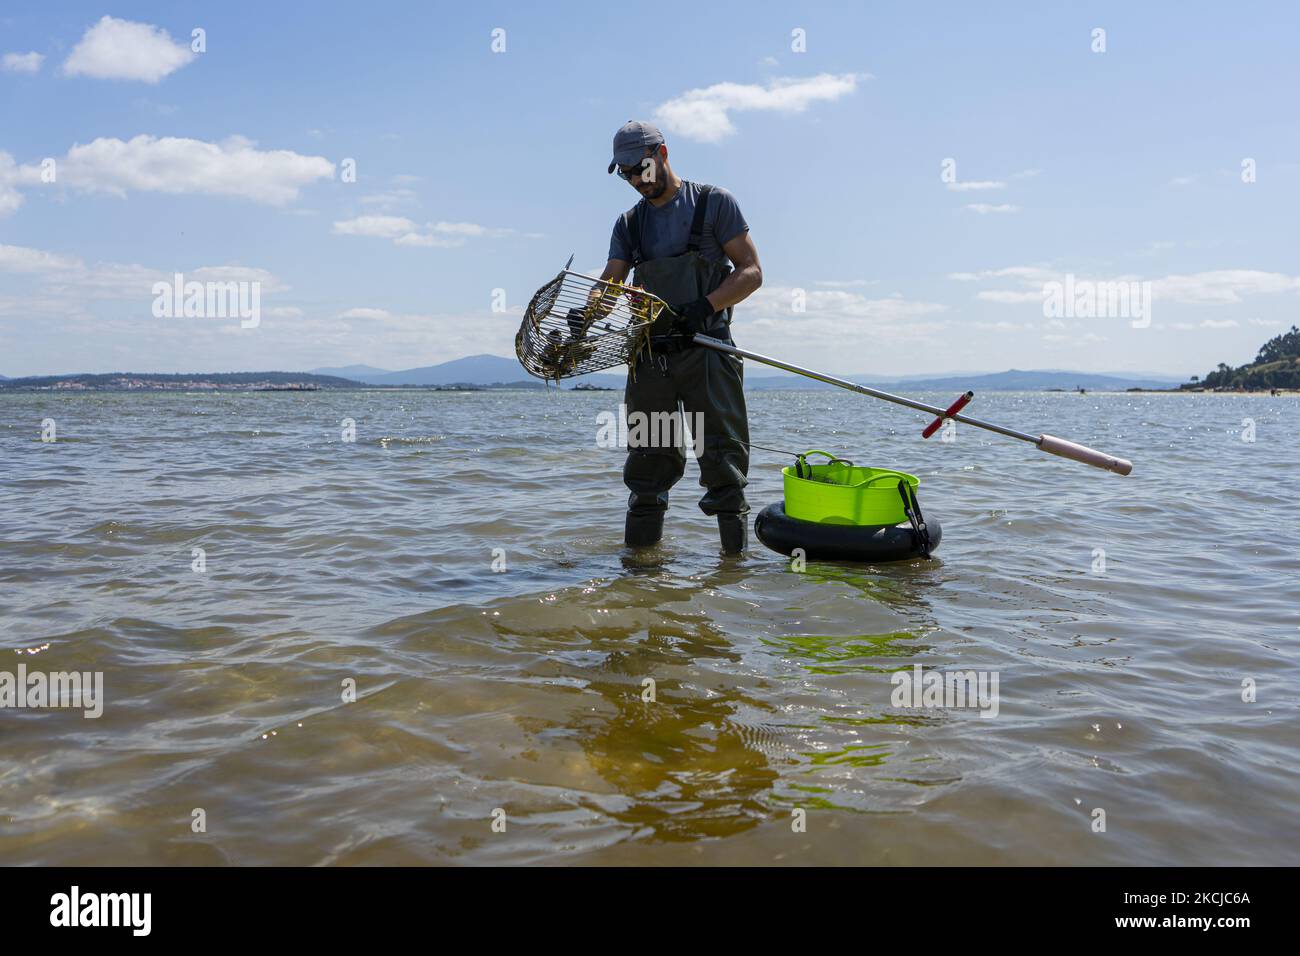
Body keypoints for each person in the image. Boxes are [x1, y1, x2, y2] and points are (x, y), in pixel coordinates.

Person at [599, 120, 763, 554]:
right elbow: (610, 284)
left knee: (723, 464)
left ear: (663, 153)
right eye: (626, 173)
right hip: (651, 361)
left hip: (708, 355)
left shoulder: (713, 204)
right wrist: (583, 315)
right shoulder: (629, 224)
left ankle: (733, 574)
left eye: (641, 168)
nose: (636, 180)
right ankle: (640, 577)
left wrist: (704, 306)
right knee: (648, 465)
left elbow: (751, 273)